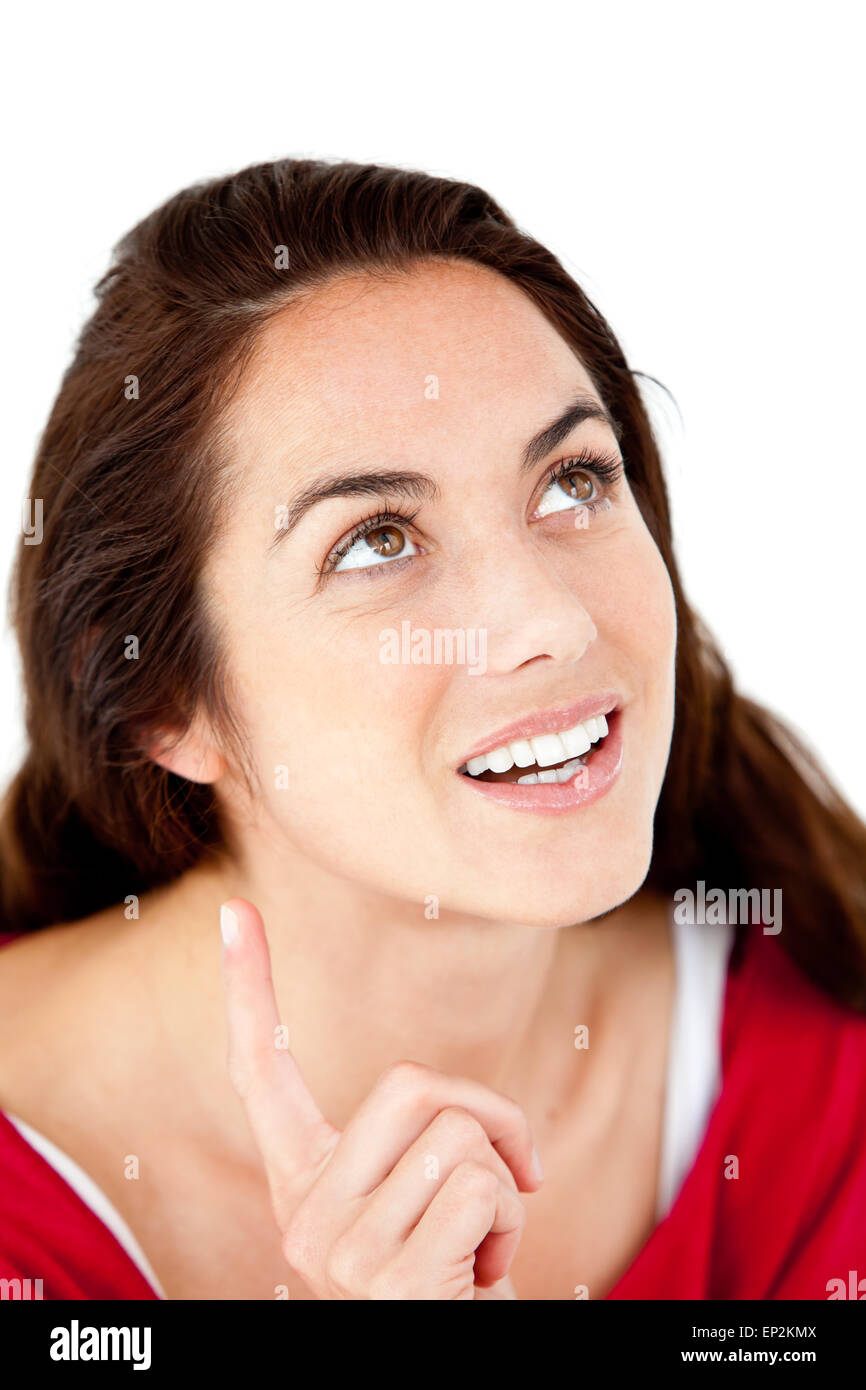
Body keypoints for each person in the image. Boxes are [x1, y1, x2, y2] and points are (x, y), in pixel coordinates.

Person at [0, 158, 863, 1301]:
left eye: (571, 481)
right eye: (375, 540)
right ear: (164, 701)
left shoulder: (818, 1083)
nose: (549, 622)